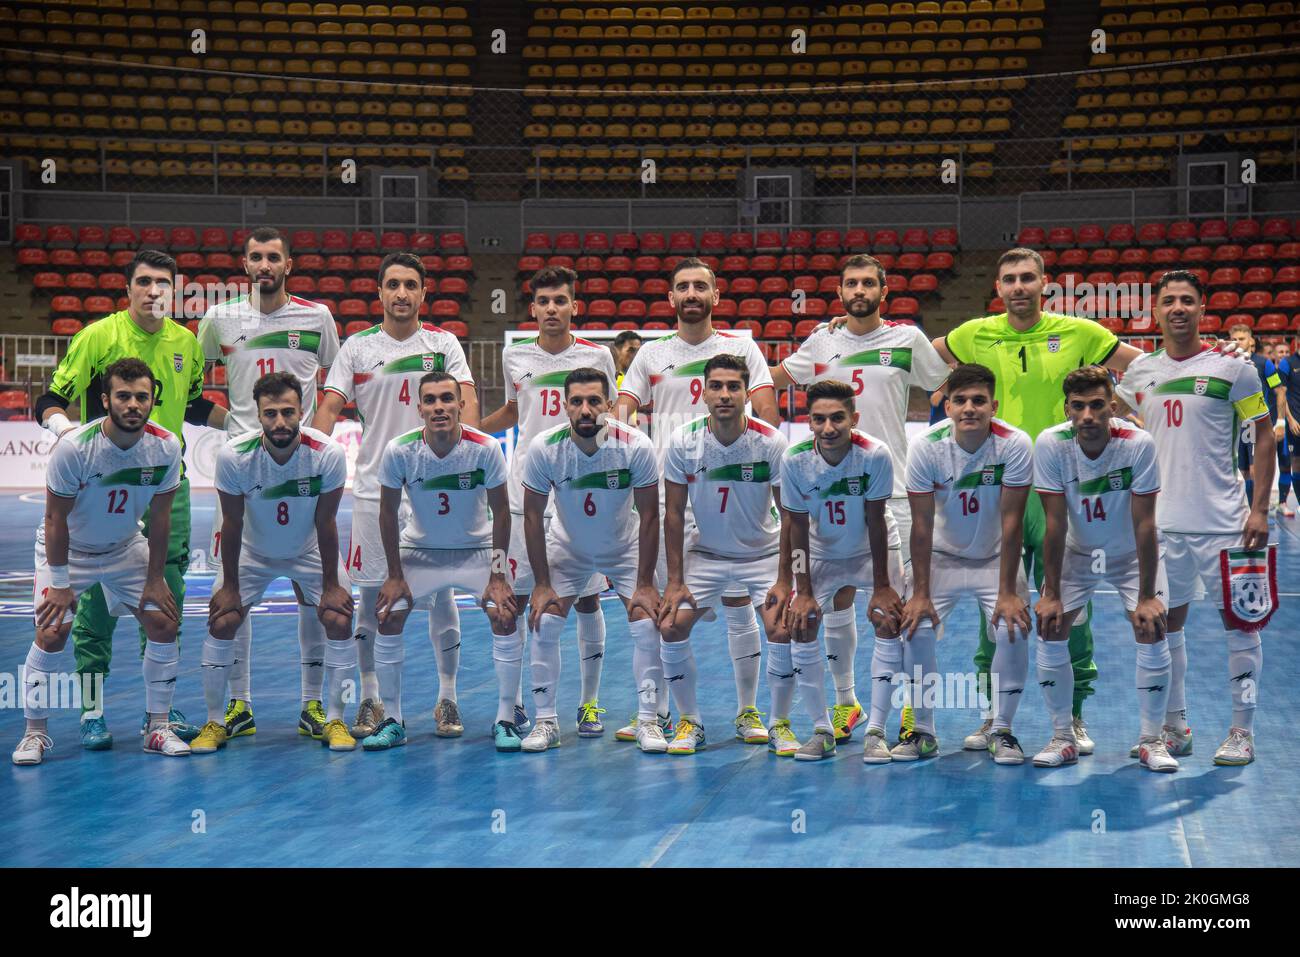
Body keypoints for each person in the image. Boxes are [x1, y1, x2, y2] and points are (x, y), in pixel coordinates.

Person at [931, 247, 1151, 754]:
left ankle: (1072, 716)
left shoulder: (1081, 332)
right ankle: (992, 716)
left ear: (1045, 283)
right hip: (998, 489)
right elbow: (915, 353)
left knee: (1069, 609)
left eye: (1028, 277)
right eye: (1009, 278)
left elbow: (1146, 370)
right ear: (999, 287)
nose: (1019, 286)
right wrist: (846, 331)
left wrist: (1208, 359)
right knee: (996, 603)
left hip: (1063, 491)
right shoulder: (973, 334)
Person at [34, 249, 227, 750]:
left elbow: (197, 405)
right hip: (100, 481)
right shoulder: (98, 336)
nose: (153, 291)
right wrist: (64, 430)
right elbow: (50, 399)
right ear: (129, 289)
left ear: (174, 290)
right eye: (144, 282)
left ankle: (155, 713)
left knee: (163, 592)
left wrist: (243, 425)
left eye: (163, 283)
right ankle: (92, 709)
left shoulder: (186, 342)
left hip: (165, 482)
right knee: (91, 603)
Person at [773, 253, 949, 741]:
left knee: (904, 606)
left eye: (868, 282)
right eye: (851, 282)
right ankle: (847, 700)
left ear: (883, 290)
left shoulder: (907, 339)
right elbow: (772, 381)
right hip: (830, 487)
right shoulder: (822, 340)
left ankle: (916, 710)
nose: (859, 290)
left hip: (890, 491)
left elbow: (946, 390)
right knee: (838, 600)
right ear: (841, 291)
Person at [313, 252, 477, 739]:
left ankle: (447, 698)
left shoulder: (443, 343)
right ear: (379, 293)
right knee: (370, 596)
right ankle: (370, 697)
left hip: (435, 488)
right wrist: (314, 457)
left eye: (410, 285)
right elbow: (329, 406)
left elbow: (466, 400)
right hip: (371, 490)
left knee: (443, 591)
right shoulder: (357, 349)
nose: (401, 293)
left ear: (424, 293)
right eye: (392, 285)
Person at [1114, 270, 1275, 766]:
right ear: (1156, 312)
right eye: (1169, 301)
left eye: (1188, 300)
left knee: (1242, 629)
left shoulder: (1235, 369)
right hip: (1160, 527)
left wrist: (1260, 507)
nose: (1178, 308)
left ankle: (1241, 731)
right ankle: (1175, 725)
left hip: (1226, 522)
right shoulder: (1140, 373)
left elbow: (1264, 434)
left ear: (1203, 309)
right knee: (1166, 628)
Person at [614, 258, 778, 741]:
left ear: (715, 295)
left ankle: (748, 711)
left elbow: (765, 406)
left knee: (737, 601)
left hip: (731, 489)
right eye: (682, 286)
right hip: (673, 496)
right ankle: (658, 712)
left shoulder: (741, 347)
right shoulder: (649, 355)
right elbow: (625, 411)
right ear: (670, 298)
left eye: (699, 286)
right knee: (663, 612)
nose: (691, 293)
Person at [197, 226, 341, 740]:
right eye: (255, 257)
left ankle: (312, 705)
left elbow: (332, 388)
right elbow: (196, 394)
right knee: (231, 588)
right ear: (244, 264)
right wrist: (235, 431)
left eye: (273, 257)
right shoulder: (219, 319)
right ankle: (239, 704)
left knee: (313, 590)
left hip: (299, 465)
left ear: (288, 264)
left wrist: (314, 444)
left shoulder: (317, 317)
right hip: (241, 473)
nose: (264, 264)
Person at [14, 359, 187, 764]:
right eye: (123, 397)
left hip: (126, 547)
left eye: (141, 397)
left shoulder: (165, 446)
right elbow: (55, 519)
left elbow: (160, 519)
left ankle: (157, 728)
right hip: (69, 552)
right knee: (53, 632)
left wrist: (156, 578)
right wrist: (59, 582)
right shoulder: (75, 448)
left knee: (163, 622)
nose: (133, 405)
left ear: (152, 400)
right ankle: (34, 734)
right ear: (106, 400)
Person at [479, 266, 618, 736]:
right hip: (528, 492)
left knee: (587, 601)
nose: (553, 309)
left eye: (561, 300)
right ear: (533, 308)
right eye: (544, 301)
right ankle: (517, 704)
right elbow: (516, 413)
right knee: (521, 599)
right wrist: (470, 432)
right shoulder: (515, 357)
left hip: (583, 490)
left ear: (574, 306)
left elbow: (606, 413)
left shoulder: (598, 355)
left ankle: (590, 703)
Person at [194, 372, 355, 754]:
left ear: (303, 411)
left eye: (287, 412)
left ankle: (332, 716)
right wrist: (230, 586)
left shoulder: (326, 454)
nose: (280, 422)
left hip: (309, 550)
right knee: (222, 620)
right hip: (253, 552)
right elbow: (231, 524)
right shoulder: (235, 456)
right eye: (270, 414)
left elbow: (327, 522)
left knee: (338, 617)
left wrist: (331, 585)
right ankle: (218, 720)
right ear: (257, 415)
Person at [1033, 366, 1175, 771]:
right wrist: (1052, 594)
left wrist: (1147, 596)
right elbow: (1054, 523)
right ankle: (1062, 736)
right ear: (1066, 409)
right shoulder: (1050, 444)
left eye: (1097, 405)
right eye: (1078, 407)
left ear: (1112, 407)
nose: (1088, 415)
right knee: (1050, 626)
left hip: (1131, 554)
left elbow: (1145, 522)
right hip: (1077, 553)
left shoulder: (1137, 443)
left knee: (1151, 627)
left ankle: (1152, 740)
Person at [366, 372, 518, 752]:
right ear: (419, 408)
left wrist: (498, 575)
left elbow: (502, 513)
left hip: (476, 551)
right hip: (421, 552)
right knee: (388, 612)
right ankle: (393, 718)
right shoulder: (399, 450)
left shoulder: (485, 448)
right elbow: (386, 513)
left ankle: (506, 716)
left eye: (447, 399)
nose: (439, 407)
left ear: (461, 405)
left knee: (504, 612)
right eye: (431, 400)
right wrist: (394, 575)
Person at [520, 368, 662, 753]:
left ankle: (649, 720)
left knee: (648, 625)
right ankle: (546, 722)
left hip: (623, 548)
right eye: (577, 402)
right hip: (569, 549)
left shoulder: (635, 446)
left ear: (611, 405)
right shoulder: (544, 447)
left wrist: (646, 584)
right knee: (546, 622)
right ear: (565, 405)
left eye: (594, 401)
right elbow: (532, 516)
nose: (586, 410)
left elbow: (650, 515)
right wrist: (541, 583)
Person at [899, 363, 1034, 765]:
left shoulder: (1015, 444)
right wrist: (921, 593)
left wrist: (1009, 592)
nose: (969, 408)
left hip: (996, 558)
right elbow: (921, 526)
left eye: (979, 400)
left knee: (1013, 630)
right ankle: (922, 730)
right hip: (941, 557)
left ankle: (1001, 729)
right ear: (947, 405)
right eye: (960, 400)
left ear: (994, 405)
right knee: (916, 629)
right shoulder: (925, 446)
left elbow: (1013, 522)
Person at [658, 355, 790, 755]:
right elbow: (673, 514)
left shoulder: (771, 442)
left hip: (762, 555)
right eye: (716, 386)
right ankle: (690, 721)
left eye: (734, 386)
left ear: (747, 393)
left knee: (782, 630)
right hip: (707, 556)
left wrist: (787, 579)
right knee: (671, 626)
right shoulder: (683, 441)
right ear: (703, 391)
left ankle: (775, 722)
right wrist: (675, 581)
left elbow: (791, 515)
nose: (725, 394)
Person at [773, 379, 902, 761]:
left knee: (887, 619)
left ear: (854, 418)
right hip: (823, 551)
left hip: (872, 548)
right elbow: (795, 527)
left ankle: (876, 730)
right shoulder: (794, 460)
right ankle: (821, 730)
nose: (828, 428)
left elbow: (876, 521)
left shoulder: (875, 454)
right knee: (801, 622)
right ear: (807, 421)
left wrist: (881, 587)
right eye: (818, 420)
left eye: (837, 419)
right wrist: (804, 590)